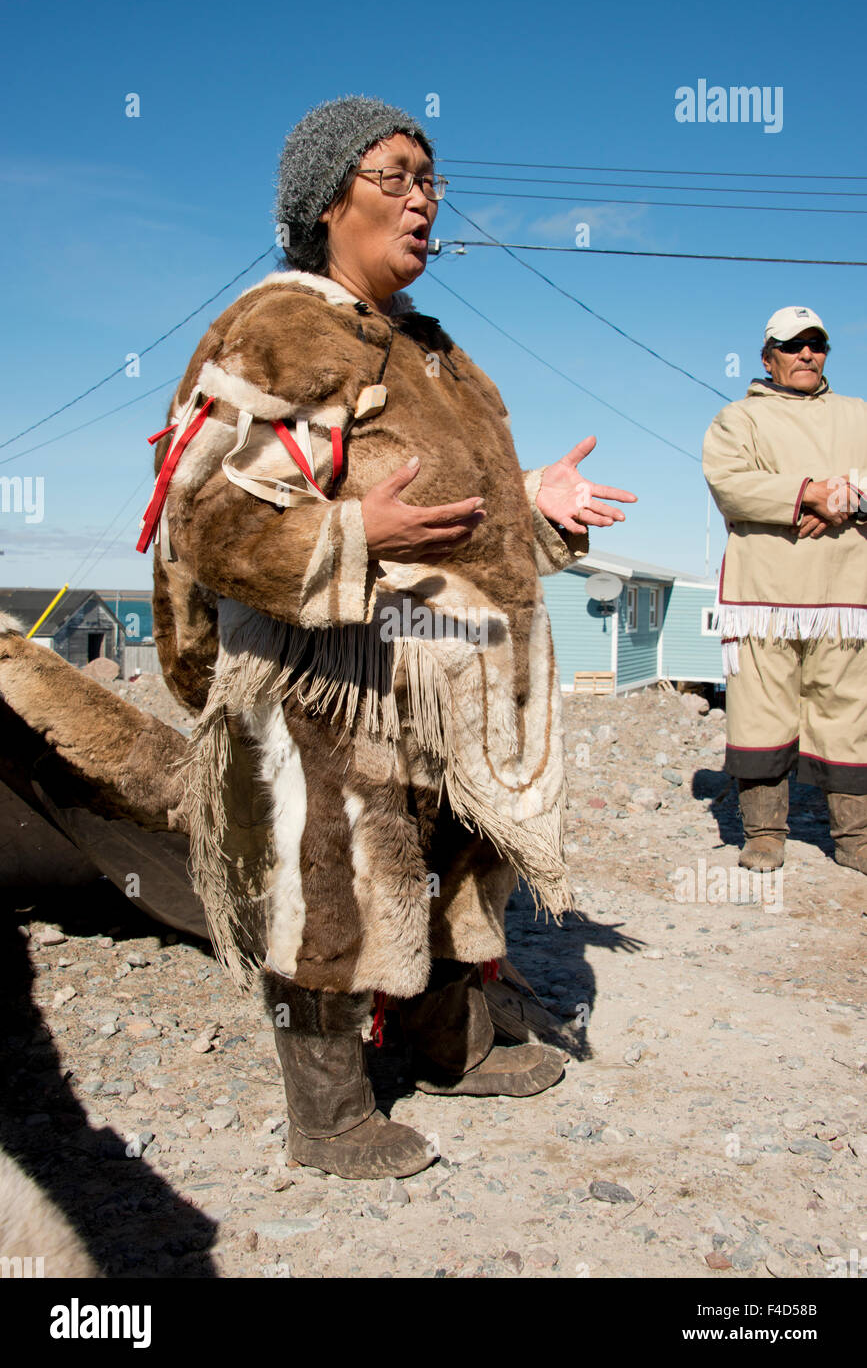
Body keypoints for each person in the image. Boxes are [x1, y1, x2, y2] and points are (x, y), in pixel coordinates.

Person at [144, 96, 636, 1179]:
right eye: (397, 175)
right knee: (336, 873)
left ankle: (446, 1047)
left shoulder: (437, 353)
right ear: (327, 203)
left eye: (431, 178)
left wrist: (535, 505)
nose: (424, 200)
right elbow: (203, 513)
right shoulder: (279, 328)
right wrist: (354, 532)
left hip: (452, 680)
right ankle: (327, 1113)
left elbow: (471, 521)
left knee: (459, 858)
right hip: (332, 678)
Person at [703, 306, 867, 874]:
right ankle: (766, 833)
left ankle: (855, 838)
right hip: (764, 596)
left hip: (844, 596)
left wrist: (840, 496)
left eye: (816, 344)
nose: (806, 354)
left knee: (847, 712)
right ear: (768, 356)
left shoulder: (858, 415)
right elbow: (731, 483)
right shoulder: (739, 419)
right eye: (792, 345)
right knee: (759, 709)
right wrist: (806, 492)